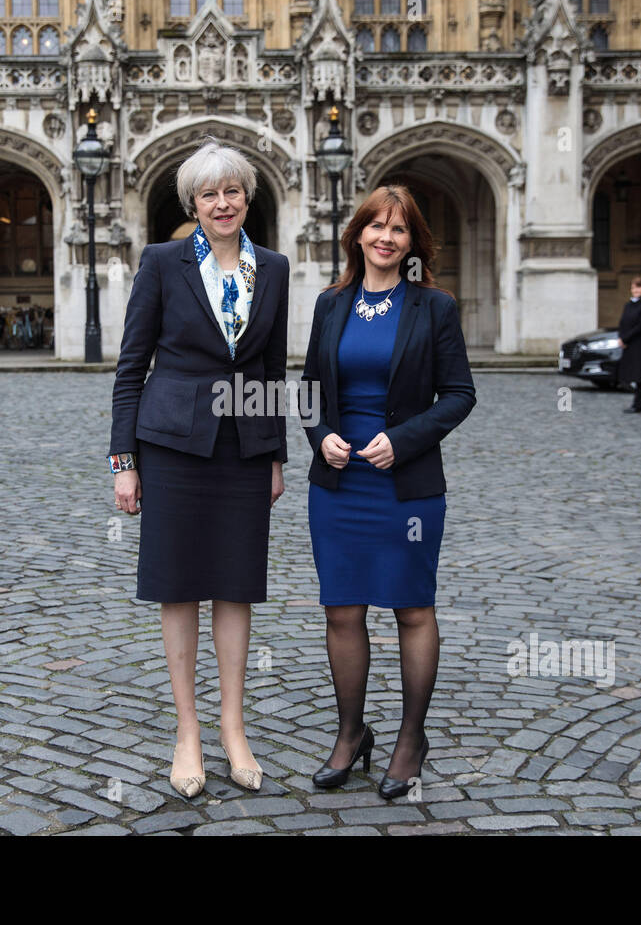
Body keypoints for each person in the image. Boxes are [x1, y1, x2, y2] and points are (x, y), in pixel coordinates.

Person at [108, 137, 289, 798]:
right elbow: (131, 368)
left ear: (248, 196)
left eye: (233, 190)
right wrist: (123, 462)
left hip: (244, 447)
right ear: (193, 202)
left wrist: (274, 453)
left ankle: (233, 726)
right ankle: (187, 731)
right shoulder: (161, 263)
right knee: (179, 584)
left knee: (236, 584)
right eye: (209, 193)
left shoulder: (274, 267)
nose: (222, 202)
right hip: (172, 444)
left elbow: (272, 369)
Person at [301, 185, 476, 800]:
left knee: (411, 609)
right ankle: (351, 734)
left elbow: (460, 394)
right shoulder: (331, 304)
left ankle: (410, 738)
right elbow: (308, 392)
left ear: (412, 243)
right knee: (343, 610)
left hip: (406, 486)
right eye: (375, 225)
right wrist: (320, 435)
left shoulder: (434, 306)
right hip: (339, 483)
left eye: (398, 229)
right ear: (357, 234)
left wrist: (402, 440)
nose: (385, 236)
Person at [617, 275, 641, 413]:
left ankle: (640, 405)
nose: (636, 290)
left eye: (638, 287)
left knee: (640, 376)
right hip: (629, 344)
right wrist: (621, 338)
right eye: (633, 287)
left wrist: (625, 338)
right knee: (633, 374)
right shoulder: (628, 305)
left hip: (640, 345)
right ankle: (636, 404)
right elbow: (623, 322)